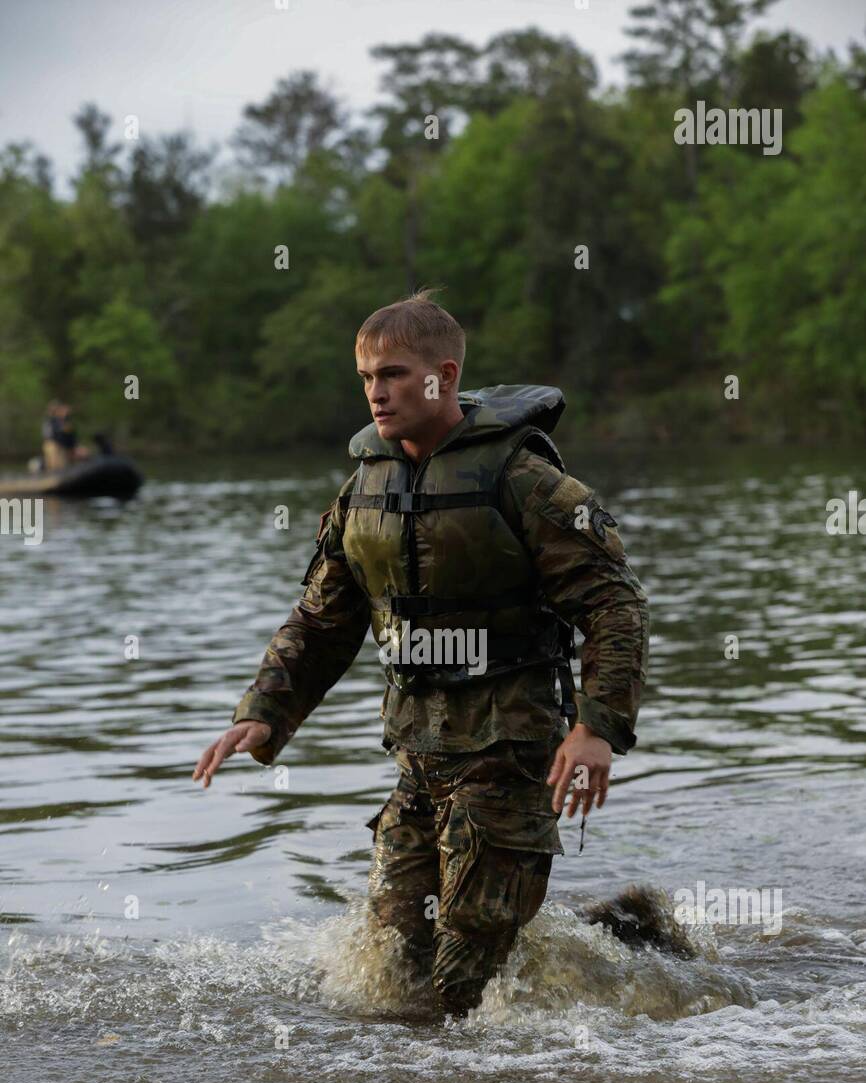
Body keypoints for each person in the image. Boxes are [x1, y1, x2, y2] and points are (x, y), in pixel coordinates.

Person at [193, 291, 650, 1018]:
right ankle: (617, 937)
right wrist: (264, 712)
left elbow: (613, 606)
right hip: (417, 755)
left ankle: (609, 976)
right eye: (367, 377)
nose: (376, 392)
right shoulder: (365, 487)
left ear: (442, 375)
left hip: (507, 753)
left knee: (461, 985)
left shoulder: (524, 481)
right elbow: (321, 620)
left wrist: (596, 728)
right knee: (391, 966)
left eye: (393, 375)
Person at [41, 401, 90, 471]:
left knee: (65, 463)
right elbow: (52, 434)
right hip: (54, 444)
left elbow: (71, 436)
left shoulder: (66, 421)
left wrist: (75, 446)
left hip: (65, 446)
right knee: (55, 464)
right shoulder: (51, 421)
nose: (66, 411)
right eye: (63, 410)